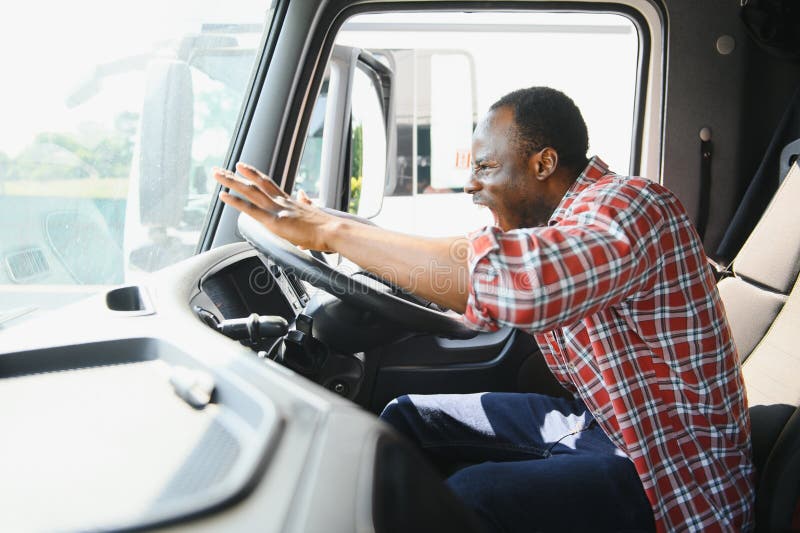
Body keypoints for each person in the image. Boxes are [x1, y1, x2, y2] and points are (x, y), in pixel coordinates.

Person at [213, 87, 754, 532]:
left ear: (543, 163)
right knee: (405, 417)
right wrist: (335, 227)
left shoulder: (630, 207)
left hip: (670, 473)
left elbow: (516, 281)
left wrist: (330, 232)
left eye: (487, 167)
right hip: (609, 428)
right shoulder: (551, 226)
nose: (472, 183)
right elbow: (457, 258)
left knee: (473, 496)